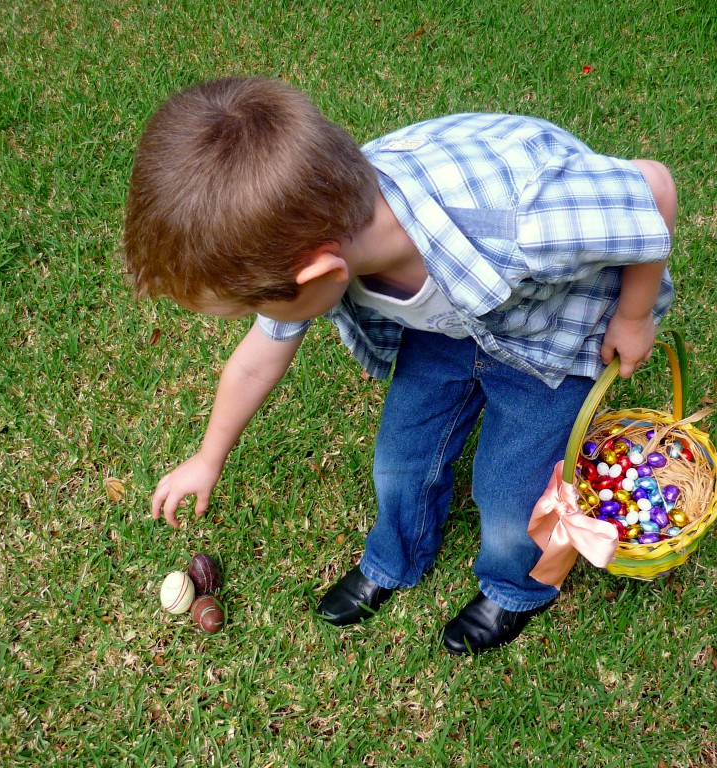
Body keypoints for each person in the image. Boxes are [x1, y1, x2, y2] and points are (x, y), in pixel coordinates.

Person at [123, 77, 677, 655]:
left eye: (254, 306)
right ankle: (396, 556)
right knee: (400, 460)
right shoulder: (309, 223)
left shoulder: (520, 223)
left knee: (511, 497)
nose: (260, 320)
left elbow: (653, 187)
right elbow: (257, 360)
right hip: (446, 328)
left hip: (549, 340)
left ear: (320, 277)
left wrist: (634, 316)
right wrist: (208, 458)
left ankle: (514, 588)